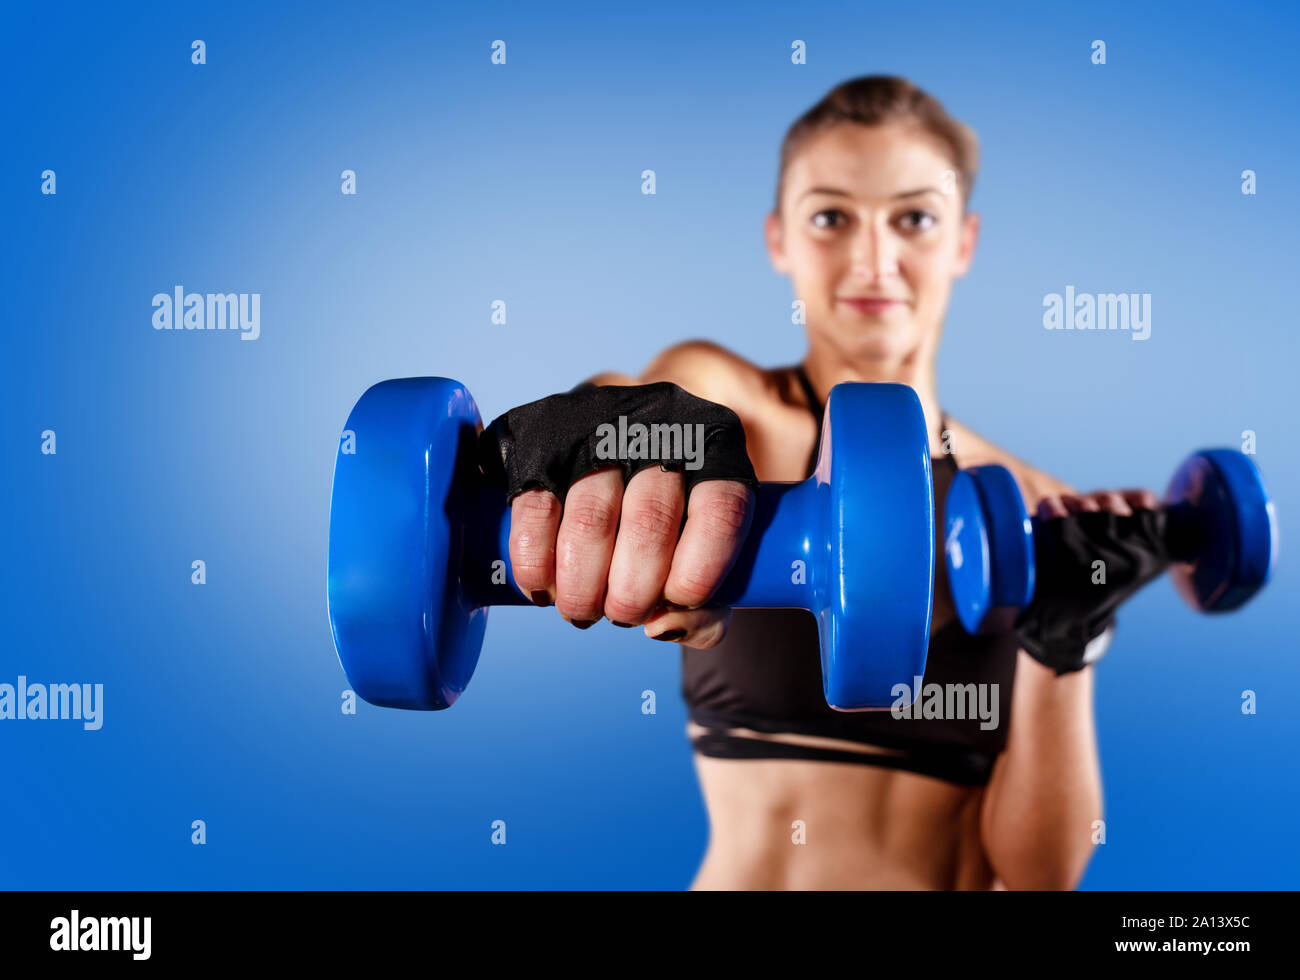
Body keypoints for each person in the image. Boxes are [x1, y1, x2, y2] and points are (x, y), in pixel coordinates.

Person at [483, 76, 1163, 890]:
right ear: (780, 239)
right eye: (830, 217)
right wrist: (601, 430)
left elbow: (1040, 872)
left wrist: (1067, 641)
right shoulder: (734, 409)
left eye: (914, 218)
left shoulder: (1032, 502)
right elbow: (630, 396)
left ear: (963, 242)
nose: (874, 259)